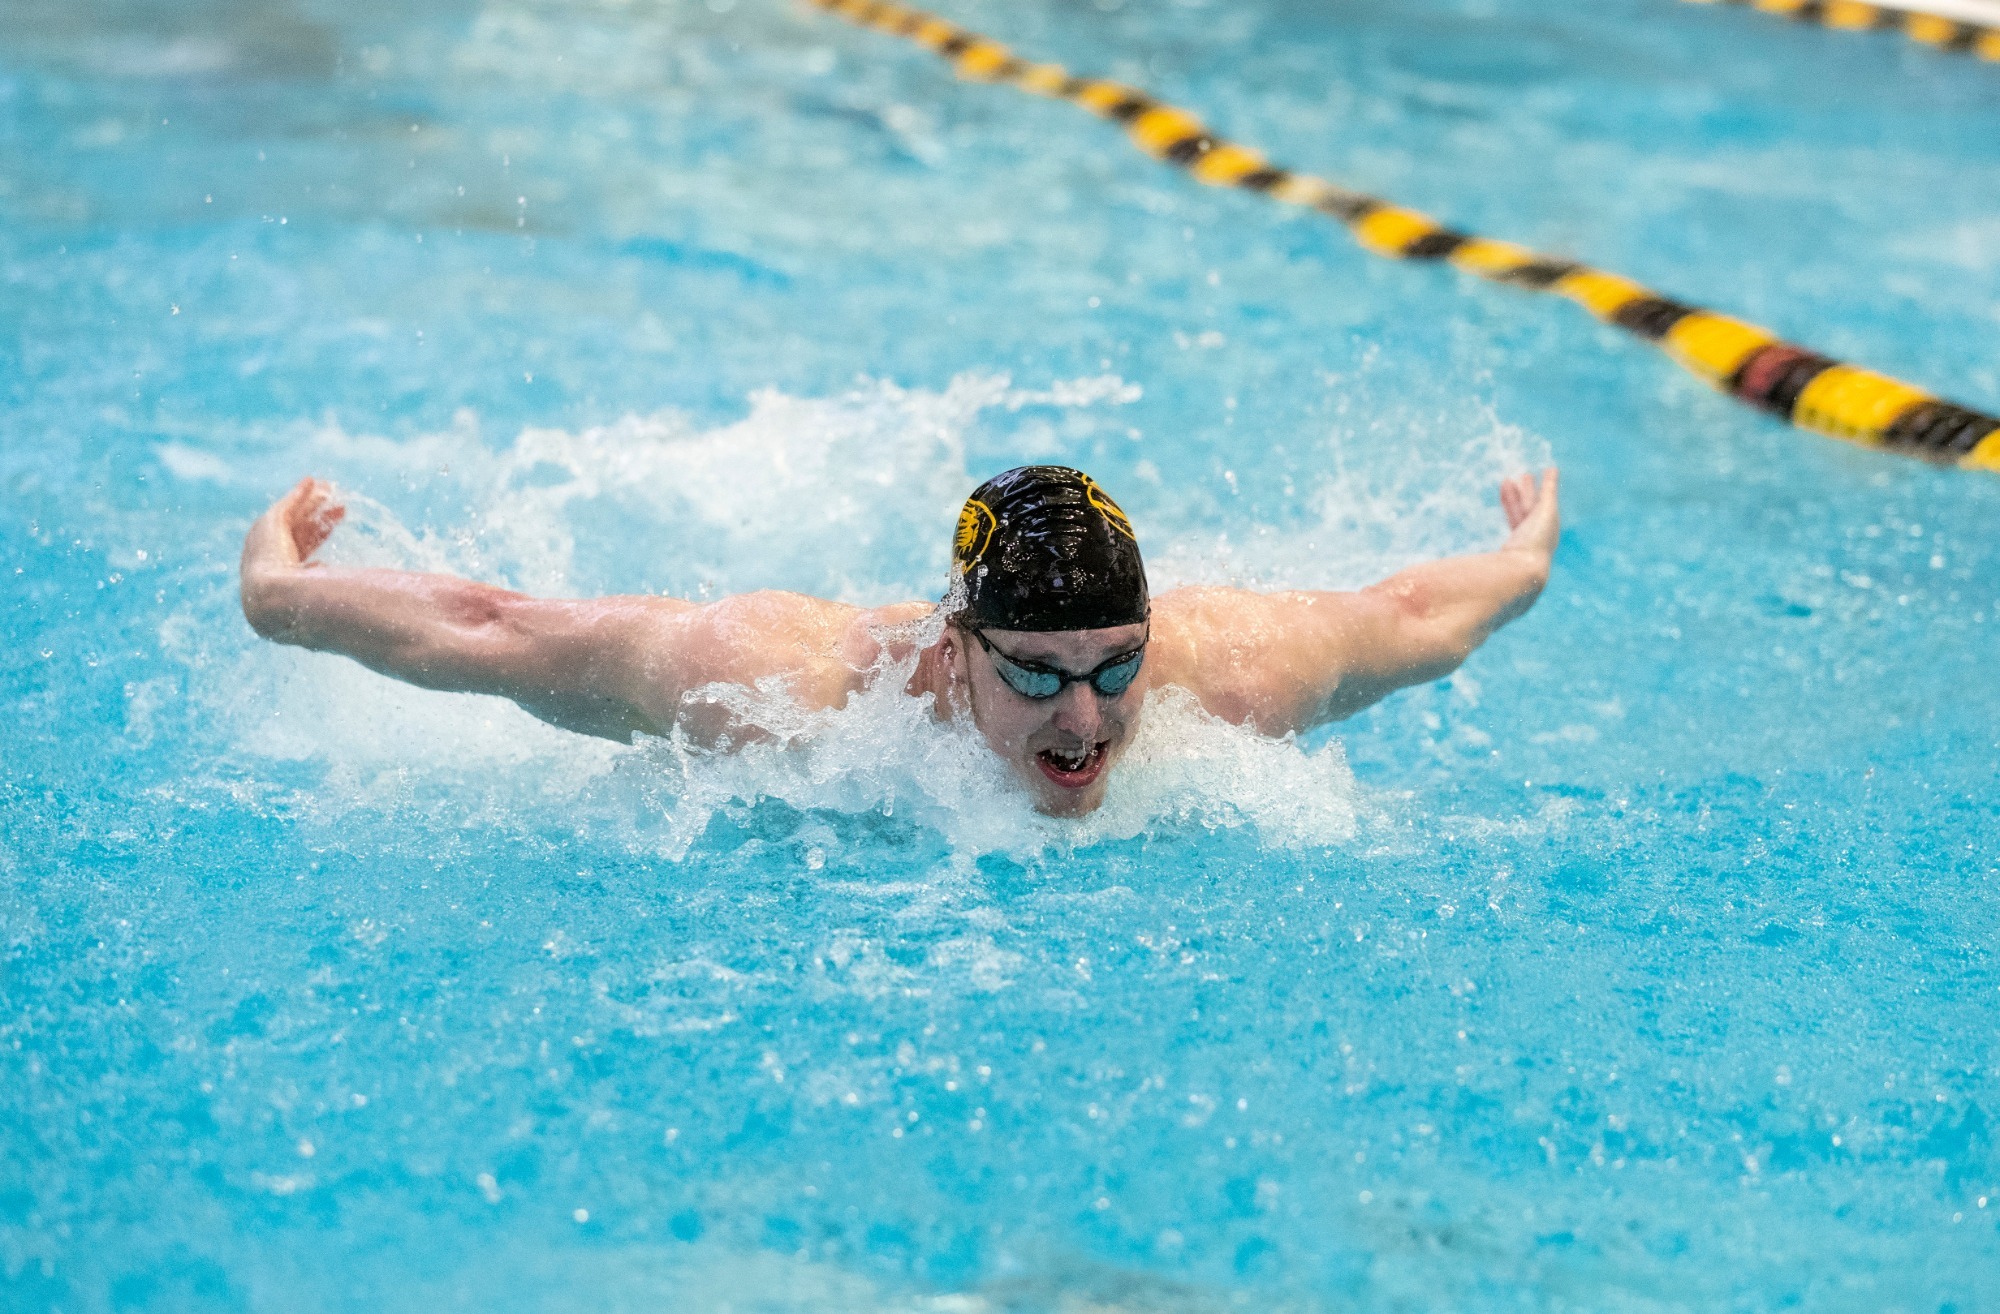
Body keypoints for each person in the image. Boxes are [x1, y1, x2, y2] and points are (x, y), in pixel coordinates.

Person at [240, 463, 1559, 816]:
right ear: (953, 643)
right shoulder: (780, 691)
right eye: (1037, 675)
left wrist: (1521, 560)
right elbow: (504, 628)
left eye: (1116, 667)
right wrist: (281, 594)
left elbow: (1408, 624)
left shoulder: (1229, 678)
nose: (1088, 725)